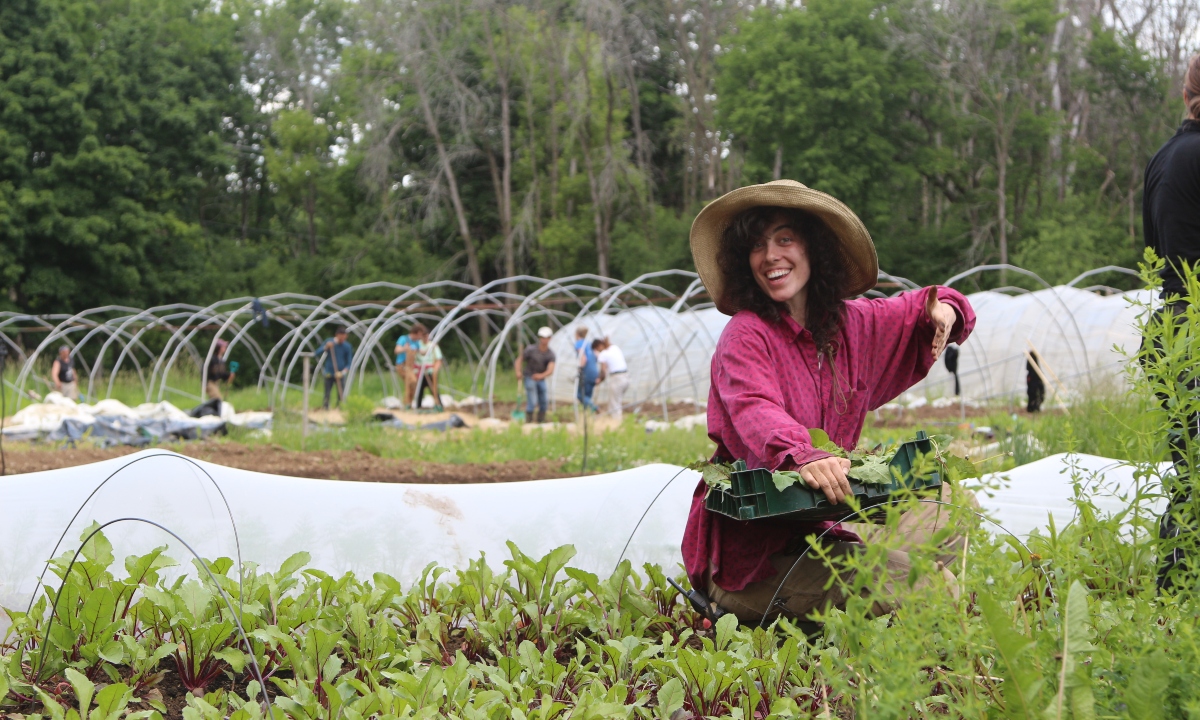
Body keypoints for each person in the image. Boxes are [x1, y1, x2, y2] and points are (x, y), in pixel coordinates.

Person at [681, 179, 976, 625]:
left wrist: (947, 311)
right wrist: (801, 455)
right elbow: (754, 408)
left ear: (814, 248)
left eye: (785, 239)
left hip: (820, 528)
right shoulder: (746, 334)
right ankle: (747, 609)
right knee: (935, 587)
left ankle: (871, 587)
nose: (771, 256)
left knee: (951, 505)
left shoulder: (850, 325)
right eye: (758, 245)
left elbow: (927, 303)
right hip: (754, 557)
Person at [1141, 54, 1200, 591]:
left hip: (1169, 326)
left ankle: (1173, 591)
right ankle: (1178, 591)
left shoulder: (1165, 157)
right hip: (1195, 327)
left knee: (1193, 470)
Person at [516, 327, 556, 423]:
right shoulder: (531, 349)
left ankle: (540, 421)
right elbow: (519, 360)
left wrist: (541, 376)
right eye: (542, 337)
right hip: (530, 377)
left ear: (550, 338)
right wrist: (518, 371)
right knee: (532, 401)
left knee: (544, 401)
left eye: (546, 337)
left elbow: (550, 370)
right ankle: (529, 421)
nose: (544, 340)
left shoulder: (550, 354)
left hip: (541, 379)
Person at [594, 337, 629, 420]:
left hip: (617, 378)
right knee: (617, 402)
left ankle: (616, 425)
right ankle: (616, 422)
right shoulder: (614, 347)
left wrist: (599, 380)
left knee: (614, 404)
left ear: (599, 346)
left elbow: (603, 371)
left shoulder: (603, 354)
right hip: (626, 377)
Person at [321, 326, 354, 410]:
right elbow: (317, 352)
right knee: (327, 392)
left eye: (344, 337)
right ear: (337, 335)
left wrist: (343, 372)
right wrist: (326, 347)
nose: (343, 339)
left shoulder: (347, 346)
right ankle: (325, 408)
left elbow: (349, 363)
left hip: (340, 373)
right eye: (341, 337)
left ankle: (339, 408)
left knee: (341, 393)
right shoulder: (330, 342)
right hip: (329, 372)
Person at [413, 325, 444, 411]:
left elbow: (439, 359)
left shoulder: (433, 346)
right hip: (420, 372)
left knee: (433, 389)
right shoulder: (417, 345)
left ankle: (439, 405)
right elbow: (414, 356)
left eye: (427, 335)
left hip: (430, 371)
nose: (425, 337)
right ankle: (418, 406)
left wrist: (435, 370)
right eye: (423, 336)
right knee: (419, 389)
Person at [395, 324, 424, 410]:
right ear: (416, 333)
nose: (420, 337)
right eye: (420, 334)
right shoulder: (404, 339)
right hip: (403, 365)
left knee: (412, 385)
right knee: (412, 381)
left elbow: (420, 352)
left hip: (411, 367)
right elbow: (397, 350)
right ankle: (407, 403)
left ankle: (408, 404)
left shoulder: (417, 342)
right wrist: (405, 349)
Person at [574, 327, 600, 413]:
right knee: (588, 395)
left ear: (577, 334)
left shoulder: (579, 343)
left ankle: (594, 408)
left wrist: (580, 369)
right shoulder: (589, 343)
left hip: (586, 372)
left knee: (580, 395)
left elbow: (583, 358)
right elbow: (597, 356)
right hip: (594, 372)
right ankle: (589, 415)